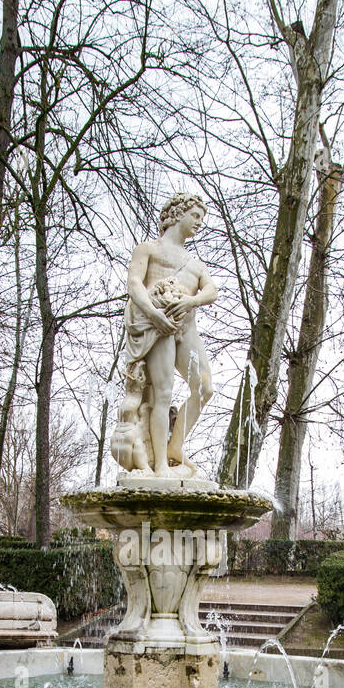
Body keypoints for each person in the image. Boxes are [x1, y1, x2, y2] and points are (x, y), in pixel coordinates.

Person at [110, 192, 218, 478]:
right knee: (163, 394)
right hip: (158, 328)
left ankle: (174, 447)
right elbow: (134, 283)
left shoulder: (195, 265)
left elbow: (212, 291)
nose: (199, 223)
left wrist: (191, 301)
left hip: (187, 329)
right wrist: (154, 314)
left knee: (205, 389)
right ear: (178, 214)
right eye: (195, 216)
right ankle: (159, 466)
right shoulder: (149, 249)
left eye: (201, 219)